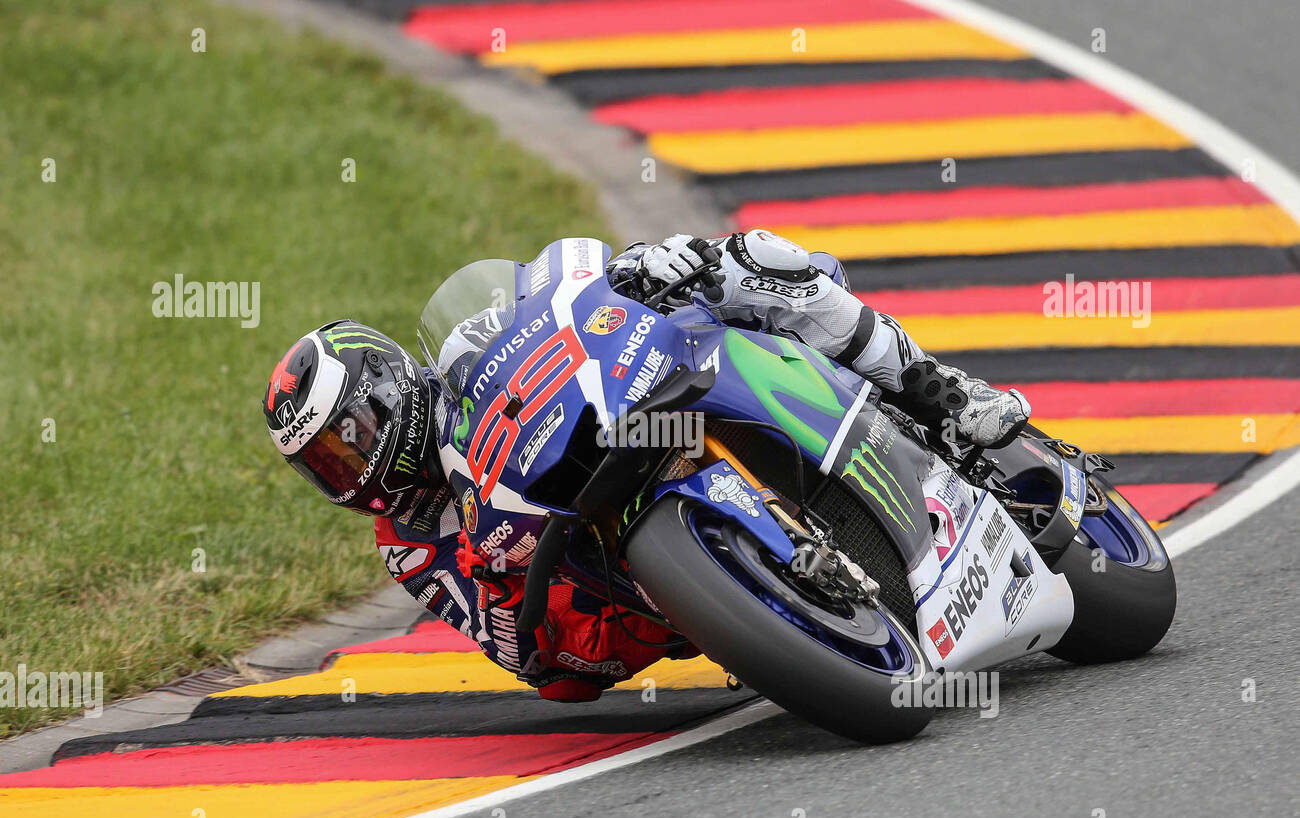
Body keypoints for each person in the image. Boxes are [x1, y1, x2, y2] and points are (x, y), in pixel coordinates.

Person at [262, 230, 1029, 701]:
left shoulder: (464, 351)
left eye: (349, 438)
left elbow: (555, 286)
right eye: (326, 465)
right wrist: (520, 594)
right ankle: (753, 600)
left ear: (392, 386)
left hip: (627, 401)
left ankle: (943, 396)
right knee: (565, 678)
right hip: (612, 594)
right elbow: (516, 650)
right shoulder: (408, 540)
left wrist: (634, 271)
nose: (351, 467)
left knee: (749, 260)